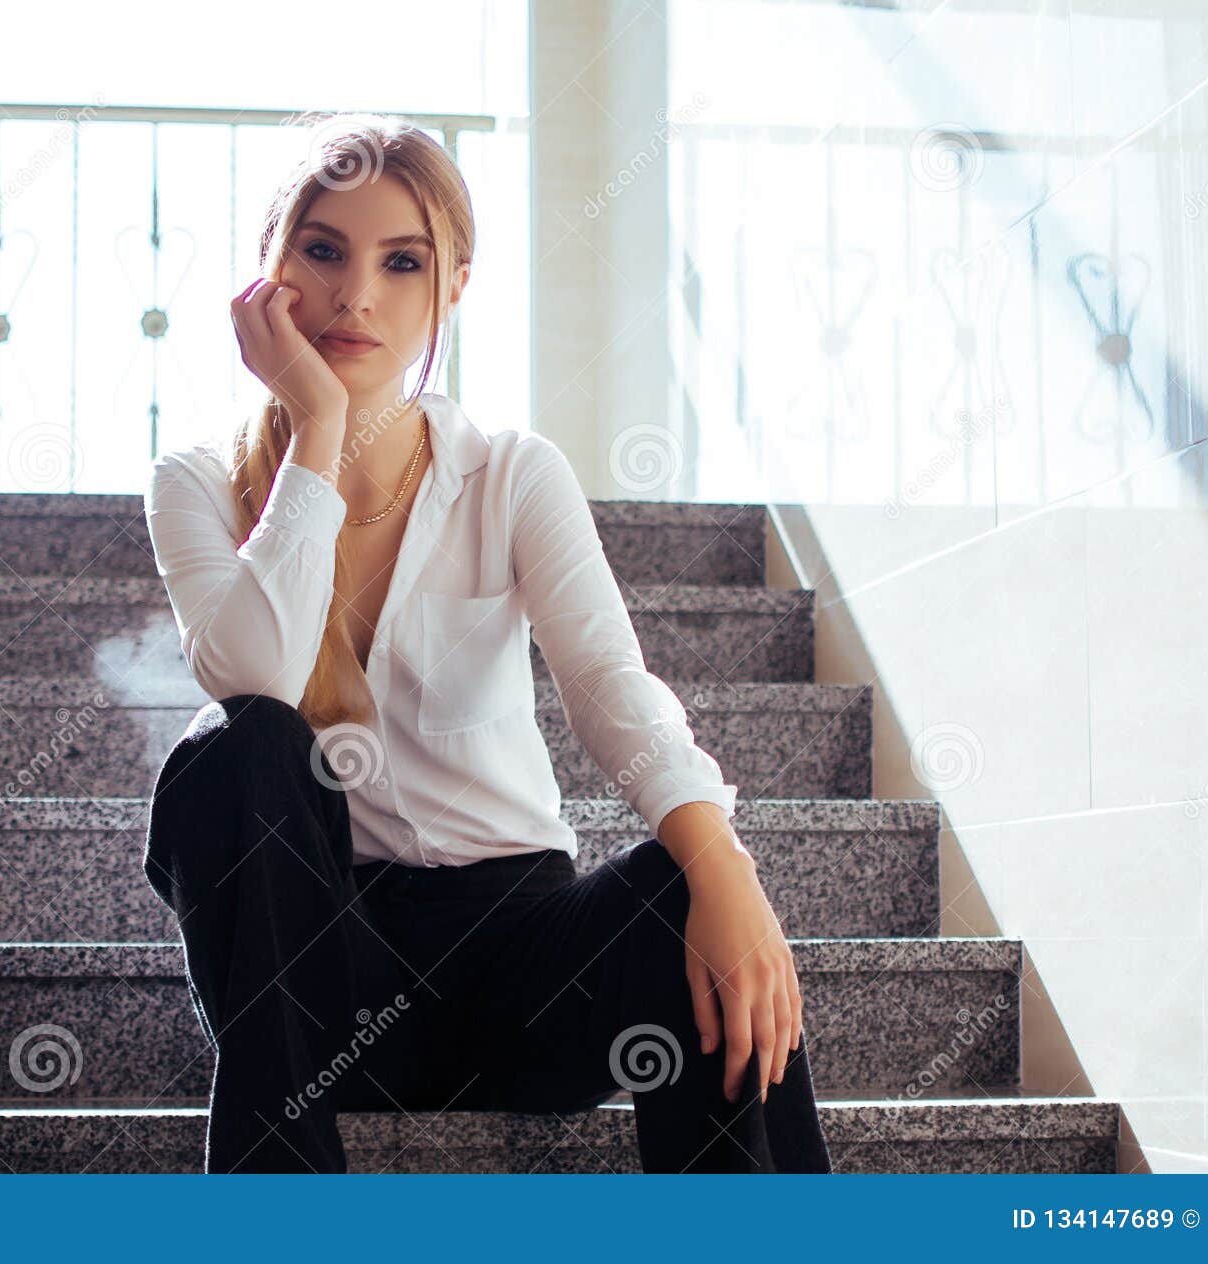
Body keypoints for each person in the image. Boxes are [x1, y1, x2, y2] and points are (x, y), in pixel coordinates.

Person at [141, 112, 832, 1175]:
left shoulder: (510, 473)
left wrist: (723, 868)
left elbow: (608, 682)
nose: (355, 295)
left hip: (521, 961)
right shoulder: (193, 482)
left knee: (680, 891)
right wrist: (315, 429)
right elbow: (258, 678)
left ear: (451, 287)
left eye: (402, 261)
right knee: (231, 747)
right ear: (271, 273)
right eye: (322, 251)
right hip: (321, 980)